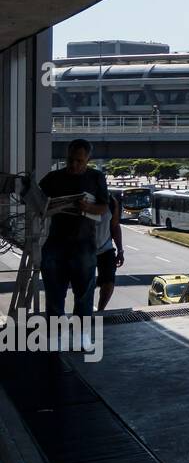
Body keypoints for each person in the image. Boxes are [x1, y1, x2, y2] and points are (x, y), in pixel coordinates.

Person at [38, 140, 110, 338]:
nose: (74, 165)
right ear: (66, 156)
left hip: (84, 244)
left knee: (84, 296)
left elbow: (103, 208)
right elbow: (37, 201)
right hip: (56, 243)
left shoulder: (96, 177)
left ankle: (80, 337)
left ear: (88, 159)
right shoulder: (53, 178)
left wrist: (87, 208)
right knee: (54, 294)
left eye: (80, 161)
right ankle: (55, 338)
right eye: (71, 160)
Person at [81, 192, 124, 314]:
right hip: (85, 250)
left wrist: (120, 250)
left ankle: (100, 311)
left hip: (106, 248)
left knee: (109, 282)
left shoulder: (111, 202)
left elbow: (115, 226)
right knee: (85, 284)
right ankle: (84, 311)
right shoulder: (84, 200)